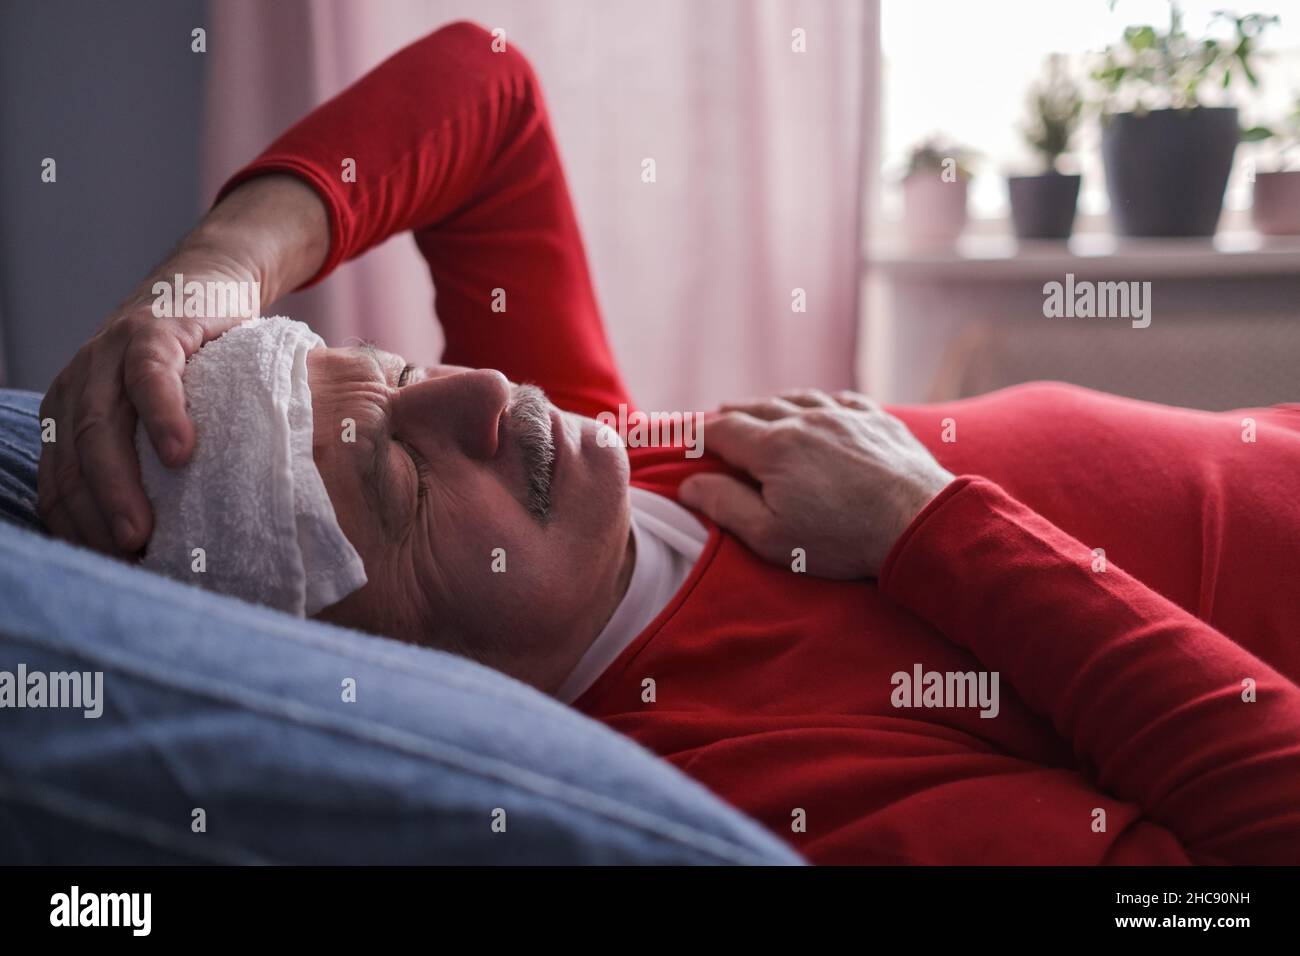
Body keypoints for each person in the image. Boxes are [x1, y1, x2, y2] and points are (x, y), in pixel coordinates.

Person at [36, 22, 1300, 865]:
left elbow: (488, 86)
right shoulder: (758, 780)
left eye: (405, 372)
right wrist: (931, 523)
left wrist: (212, 272)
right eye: (400, 482)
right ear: (404, 667)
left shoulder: (597, 472)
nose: (481, 391)